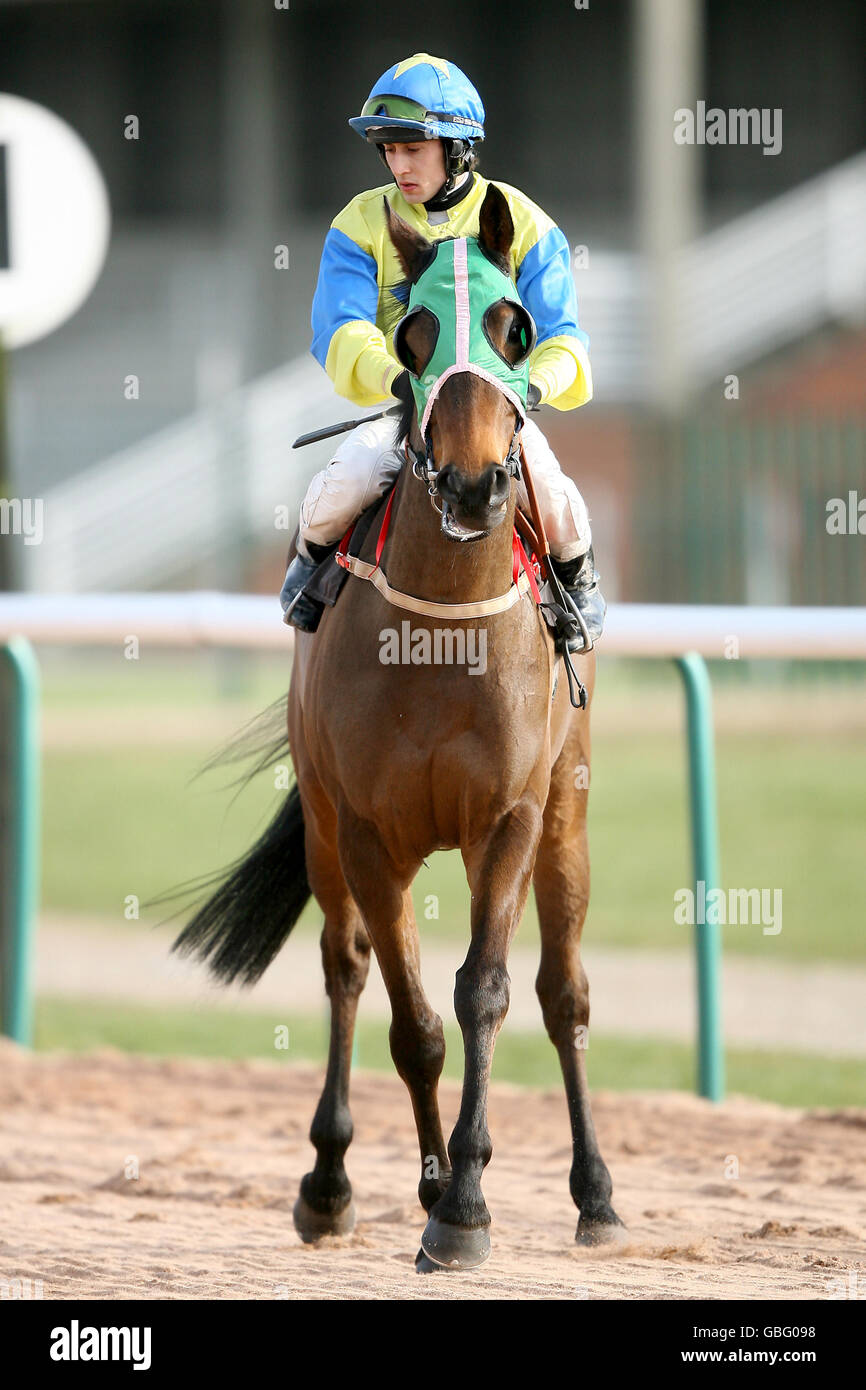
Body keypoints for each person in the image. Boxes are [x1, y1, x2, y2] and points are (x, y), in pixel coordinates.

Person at [280, 52, 605, 649]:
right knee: (345, 481)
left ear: (456, 148)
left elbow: (564, 337)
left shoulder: (524, 221)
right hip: (404, 411)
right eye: (388, 150)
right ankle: (309, 575)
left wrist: (530, 389)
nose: (397, 165)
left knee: (559, 504)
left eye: (413, 148)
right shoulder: (360, 222)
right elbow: (340, 329)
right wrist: (397, 379)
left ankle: (577, 593)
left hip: (495, 414)